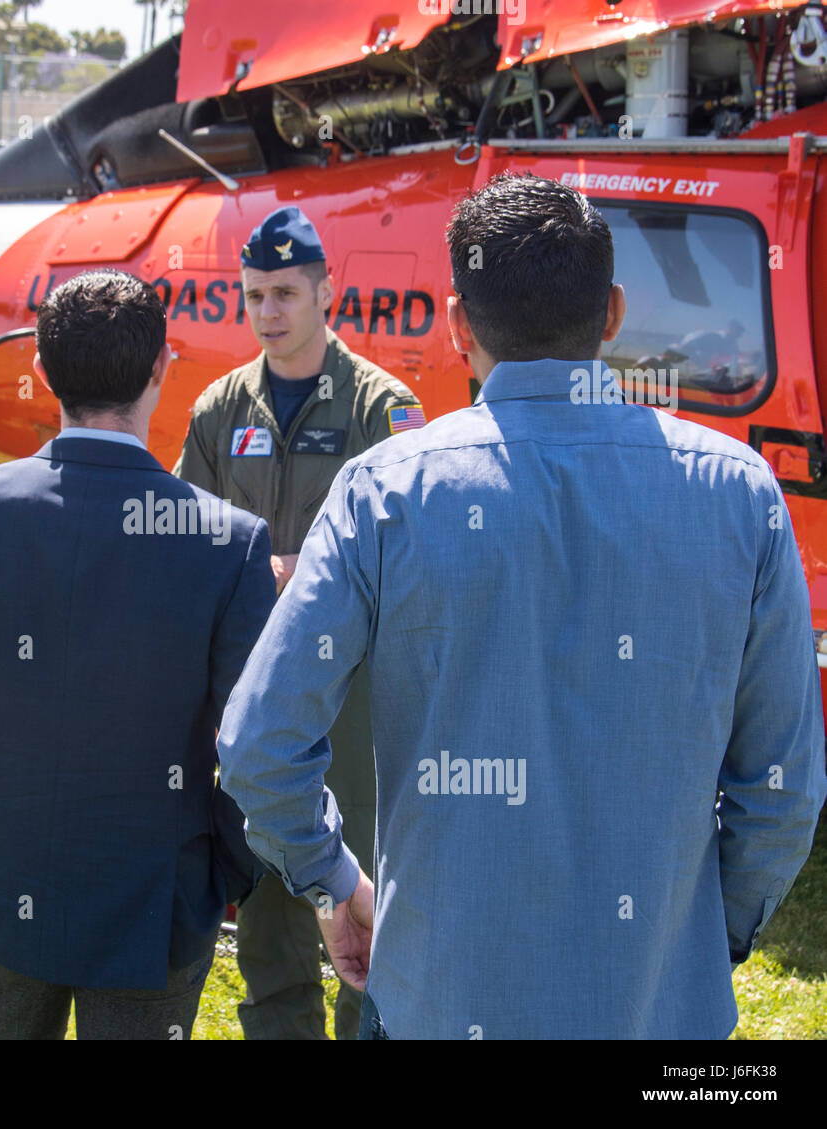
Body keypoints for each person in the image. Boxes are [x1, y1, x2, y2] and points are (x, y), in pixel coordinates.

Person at [216, 173, 827, 1039]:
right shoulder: (741, 495)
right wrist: (690, 941)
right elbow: (783, 791)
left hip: (435, 1001)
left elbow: (259, 746)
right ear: (612, 313)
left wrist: (334, 882)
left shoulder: (384, 494)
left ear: (459, 326)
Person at [0, 269, 276, 1040]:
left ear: (41, 372)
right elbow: (253, 741)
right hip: (157, 891)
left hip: (4, 873)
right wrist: (223, 870)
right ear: (162, 367)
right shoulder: (228, 541)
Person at [174, 204, 424, 1040]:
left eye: (285, 292)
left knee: (366, 895)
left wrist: (293, 571)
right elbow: (189, 537)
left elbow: (413, 556)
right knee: (273, 914)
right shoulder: (218, 410)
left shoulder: (383, 410)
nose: (269, 312)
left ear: (326, 290)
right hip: (262, 690)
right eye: (254, 296)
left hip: (358, 702)